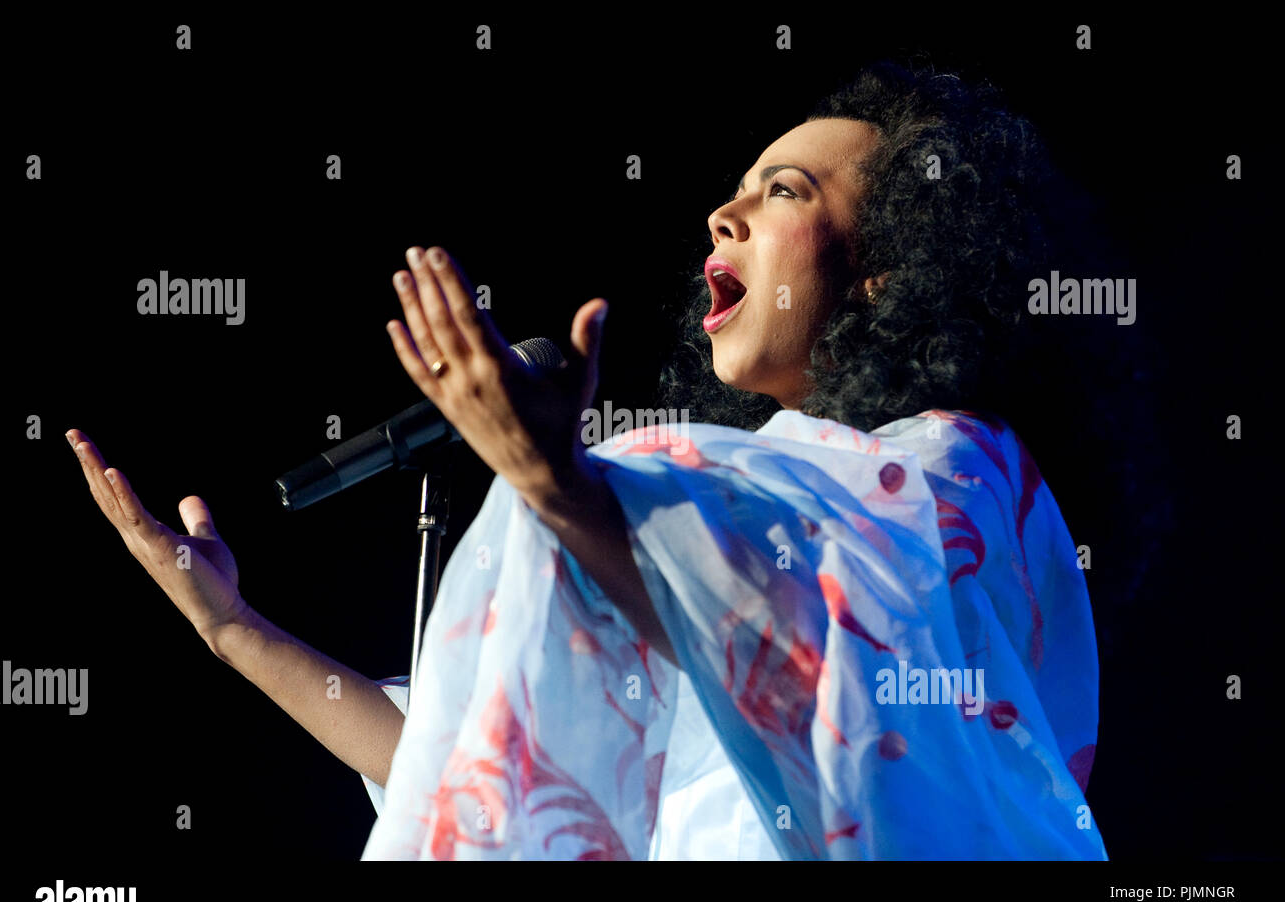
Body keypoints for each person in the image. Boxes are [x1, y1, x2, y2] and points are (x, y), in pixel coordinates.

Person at [66, 60, 1108, 860]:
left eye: (783, 191)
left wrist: (555, 484)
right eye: (735, 187)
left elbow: (815, 655)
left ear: (889, 266)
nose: (723, 211)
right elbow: (463, 757)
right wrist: (231, 630)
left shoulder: (958, 473)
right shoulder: (732, 504)